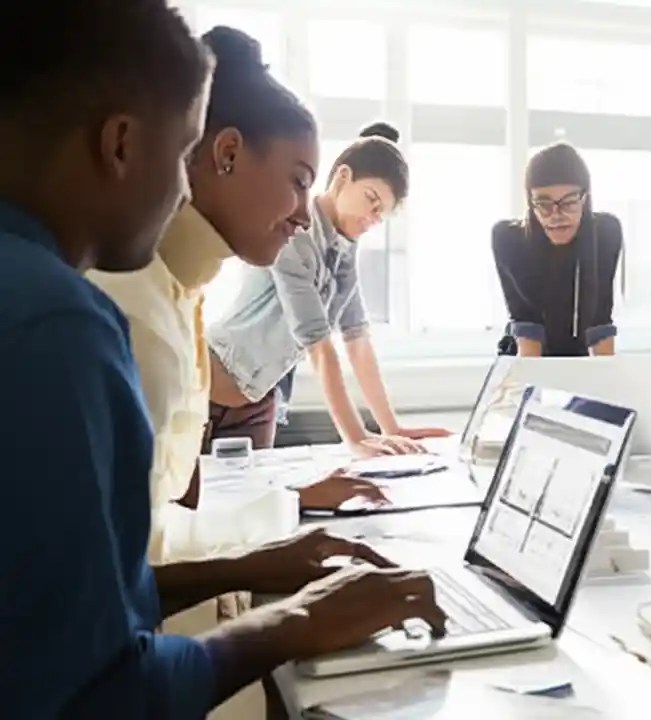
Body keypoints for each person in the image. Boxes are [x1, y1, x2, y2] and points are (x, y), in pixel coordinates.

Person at [0, 4, 444, 718]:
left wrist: (259, 558)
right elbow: (100, 692)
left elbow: (92, 587)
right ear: (120, 145)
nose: (184, 187)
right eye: (182, 156)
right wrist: (291, 623)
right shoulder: (67, 320)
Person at [90, 27, 387, 570]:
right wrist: (283, 612)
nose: (302, 214)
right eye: (298, 181)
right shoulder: (133, 309)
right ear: (226, 152)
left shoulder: (183, 295)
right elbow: (122, 574)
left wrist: (289, 507)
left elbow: (157, 527)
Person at [207, 122, 444, 458]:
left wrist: (391, 427)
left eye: (381, 214)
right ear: (342, 178)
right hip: (207, 388)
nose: (372, 218)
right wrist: (356, 438)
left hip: (260, 402)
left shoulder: (345, 248)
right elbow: (320, 347)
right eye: (371, 200)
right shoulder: (295, 232)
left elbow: (357, 340)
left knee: (253, 503)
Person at [492, 142, 623, 357]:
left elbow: (601, 322)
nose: (556, 215)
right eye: (543, 203)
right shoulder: (508, 239)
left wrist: (607, 384)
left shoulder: (606, 233)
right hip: (527, 355)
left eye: (569, 202)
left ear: (586, 198)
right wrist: (534, 387)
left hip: (580, 355)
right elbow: (527, 327)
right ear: (530, 202)